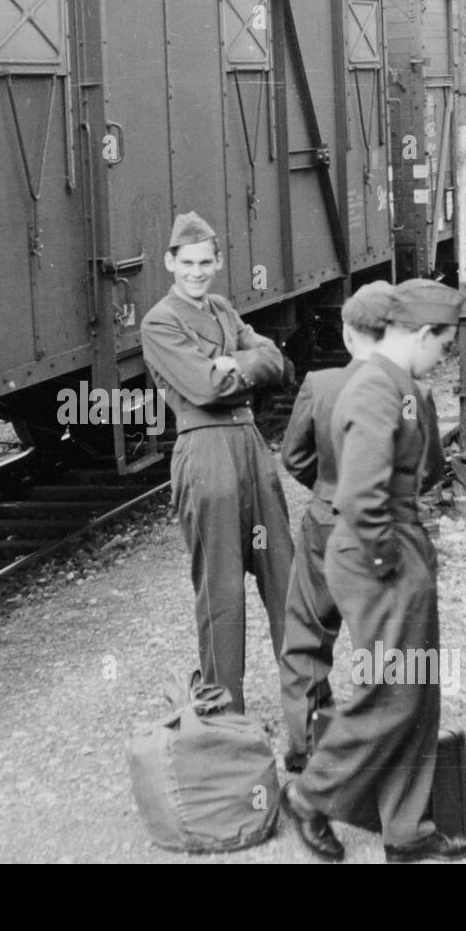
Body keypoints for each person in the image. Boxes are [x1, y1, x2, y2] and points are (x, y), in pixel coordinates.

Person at [280, 278, 466, 863]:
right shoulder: (374, 390)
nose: (443, 356)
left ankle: (407, 831)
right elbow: (361, 498)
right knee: (388, 695)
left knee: (416, 694)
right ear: (419, 334)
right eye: (442, 344)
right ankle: (312, 796)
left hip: (397, 550)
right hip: (375, 557)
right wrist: (391, 566)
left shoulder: (399, 385)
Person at [140, 212, 293, 714]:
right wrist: (229, 369)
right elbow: (206, 387)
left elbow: (278, 363)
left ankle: (308, 711)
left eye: (206, 262)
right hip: (205, 452)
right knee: (222, 590)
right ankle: (227, 723)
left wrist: (235, 366)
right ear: (170, 263)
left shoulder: (223, 308)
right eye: (187, 263)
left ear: (218, 262)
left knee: (284, 576)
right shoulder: (160, 321)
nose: (197, 272)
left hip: (250, 446)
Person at [278, 282, 392, 773]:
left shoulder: (320, 386)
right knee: (382, 641)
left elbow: (292, 456)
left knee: (306, 634)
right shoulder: (408, 393)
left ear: (347, 334)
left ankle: (307, 746)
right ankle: (383, 744)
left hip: (325, 522)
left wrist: (328, 488)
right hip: (383, 531)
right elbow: (427, 471)